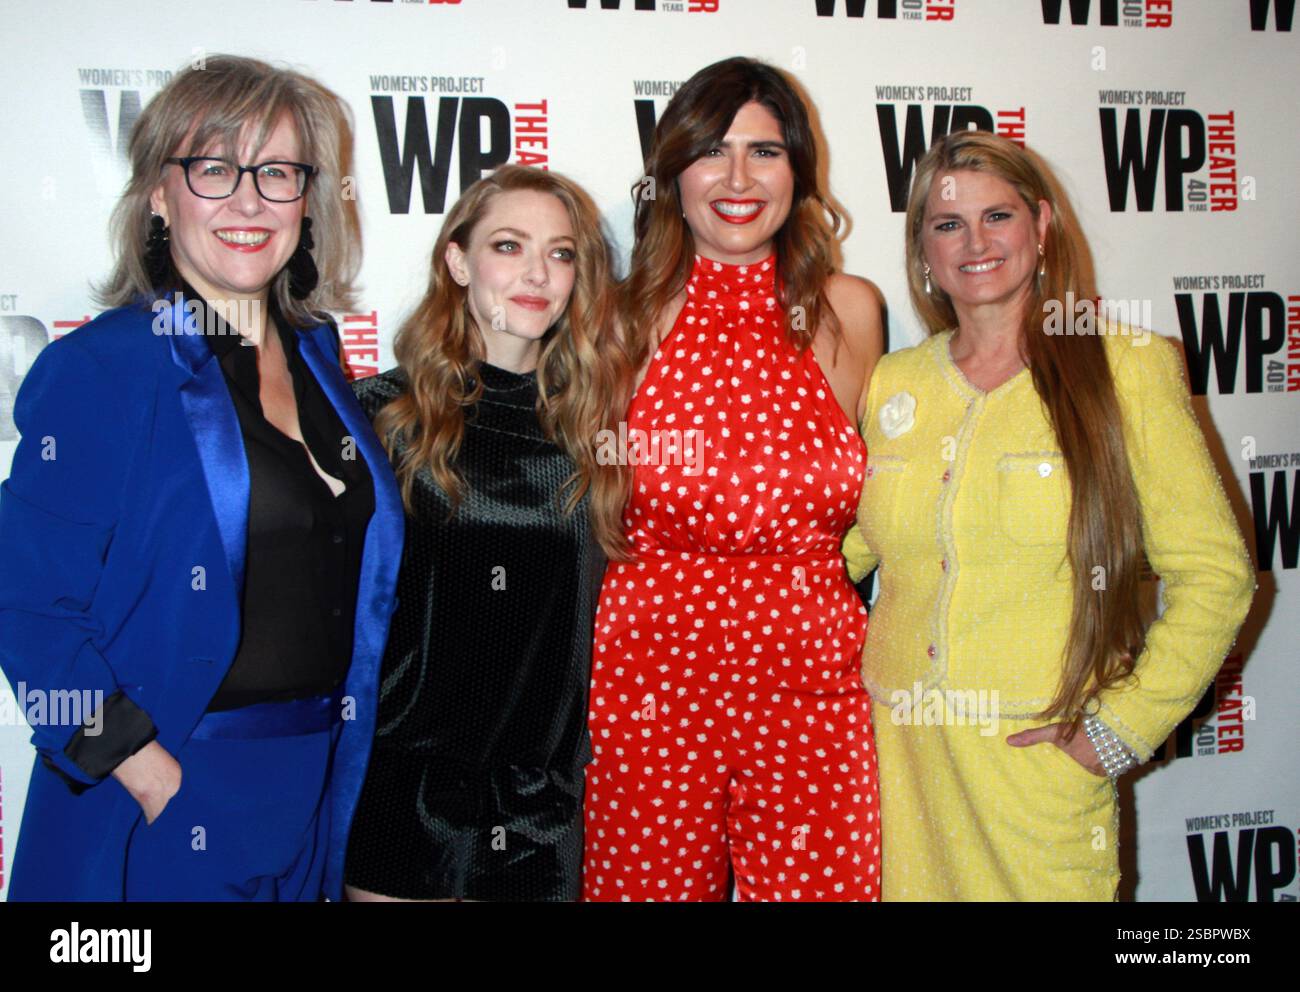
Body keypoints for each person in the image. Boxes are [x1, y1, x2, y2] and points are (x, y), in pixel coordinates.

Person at [0, 55, 404, 901]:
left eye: (278, 173)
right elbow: (26, 607)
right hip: (166, 792)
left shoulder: (321, 360)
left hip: (315, 788)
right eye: (214, 169)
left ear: (309, 198)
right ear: (157, 193)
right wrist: (146, 773)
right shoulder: (105, 368)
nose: (250, 202)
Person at [842, 130, 1255, 900]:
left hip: (1033, 771)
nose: (974, 242)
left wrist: (1119, 727)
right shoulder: (895, 382)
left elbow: (1217, 573)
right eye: (946, 223)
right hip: (890, 764)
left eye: (997, 216)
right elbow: (853, 548)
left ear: (1042, 225)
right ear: (924, 250)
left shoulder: (1125, 367)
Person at [582, 57, 885, 902]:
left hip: (815, 689)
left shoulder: (850, 310)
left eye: (766, 151)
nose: (740, 178)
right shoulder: (614, 318)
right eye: (712, 151)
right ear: (673, 174)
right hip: (649, 687)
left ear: (799, 171)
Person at [343, 165, 628, 902]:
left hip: (542, 808)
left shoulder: (601, 431)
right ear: (458, 261)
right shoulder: (380, 417)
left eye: (562, 253)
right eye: (510, 245)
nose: (538, 273)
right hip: (403, 791)